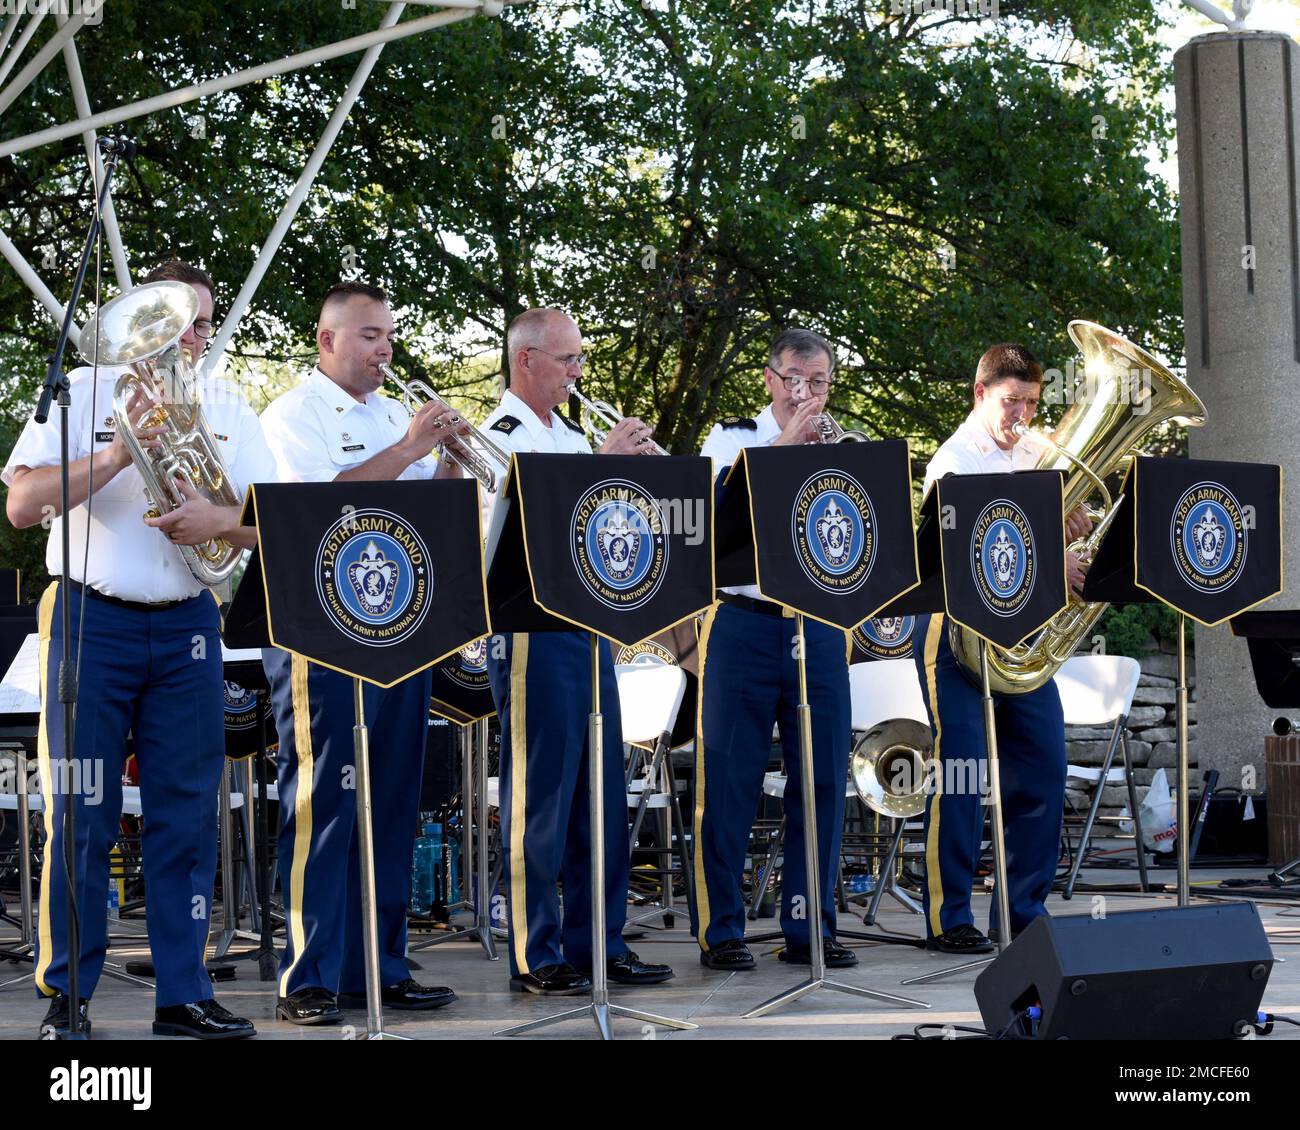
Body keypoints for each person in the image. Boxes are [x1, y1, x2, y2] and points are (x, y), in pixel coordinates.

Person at [3, 259, 269, 1038]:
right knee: (81, 812)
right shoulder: (80, 391)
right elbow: (22, 505)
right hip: (91, 622)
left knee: (186, 817)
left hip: (188, 624)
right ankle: (68, 1000)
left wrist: (219, 523)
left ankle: (182, 996)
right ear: (143, 322)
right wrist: (120, 453)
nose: (193, 336)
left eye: (203, 322)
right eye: (181, 319)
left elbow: (275, 521)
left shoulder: (227, 403)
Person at [257, 281, 467, 1024]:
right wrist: (412, 444)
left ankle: (381, 964)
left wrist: (445, 469)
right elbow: (312, 511)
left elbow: (417, 516)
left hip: (399, 629)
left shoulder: (387, 414)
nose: (386, 350)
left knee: (393, 803)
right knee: (326, 805)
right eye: (371, 336)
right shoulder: (292, 415)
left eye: (389, 336)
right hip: (321, 633)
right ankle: (308, 976)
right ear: (328, 341)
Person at [480, 307, 673, 995]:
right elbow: (521, 531)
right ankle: (536, 952)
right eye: (566, 360)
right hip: (532, 632)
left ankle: (601, 940)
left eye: (580, 359)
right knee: (544, 797)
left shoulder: (569, 432)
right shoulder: (498, 434)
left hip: (588, 629)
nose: (578, 373)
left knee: (602, 795)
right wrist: (602, 466)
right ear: (526, 360)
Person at [914, 342, 1089, 954]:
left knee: (1043, 768)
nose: (1023, 417)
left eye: (1033, 403)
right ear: (981, 394)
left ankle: (1021, 914)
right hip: (954, 632)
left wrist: (1075, 524)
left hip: (1022, 634)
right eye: (1012, 402)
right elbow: (966, 552)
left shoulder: (1042, 453)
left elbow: (1061, 526)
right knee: (962, 775)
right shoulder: (952, 461)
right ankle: (948, 916)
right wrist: (1049, 553)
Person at [692, 327, 856, 972]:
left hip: (817, 626)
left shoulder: (844, 447)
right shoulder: (731, 439)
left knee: (819, 784)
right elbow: (714, 521)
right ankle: (722, 929)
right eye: (795, 380)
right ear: (769, 379)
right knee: (728, 781)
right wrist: (785, 447)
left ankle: (808, 925)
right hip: (743, 624)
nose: (807, 395)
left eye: (819, 383)